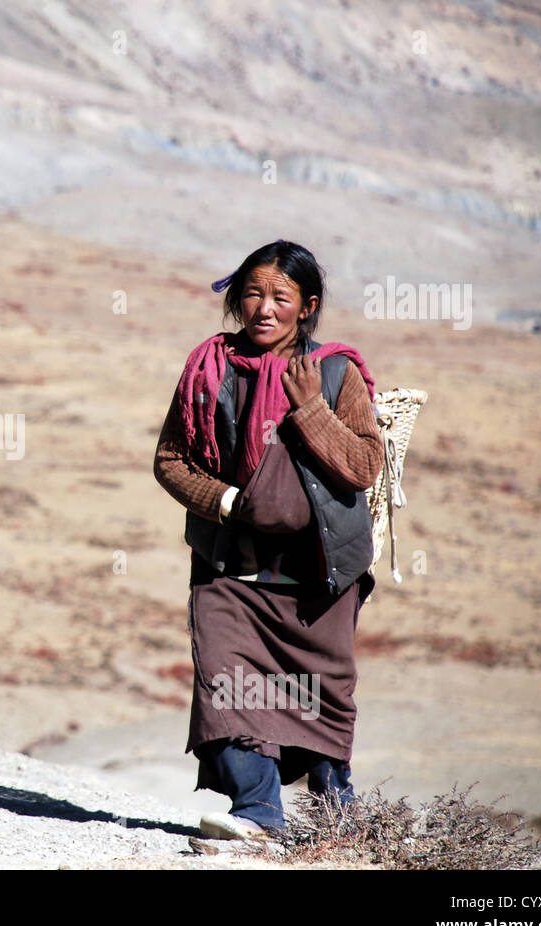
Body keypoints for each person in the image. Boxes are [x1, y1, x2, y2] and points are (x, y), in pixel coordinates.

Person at [152, 240, 385, 840]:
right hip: (231, 569)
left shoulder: (336, 373)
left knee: (322, 699)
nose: (263, 308)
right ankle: (257, 812)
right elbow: (172, 459)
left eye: (280, 297)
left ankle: (340, 821)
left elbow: (361, 467)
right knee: (224, 691)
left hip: (317, 580)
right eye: (253, 293)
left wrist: (310, 410)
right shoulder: (210, 367)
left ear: (306, 307)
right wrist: (227, 502)